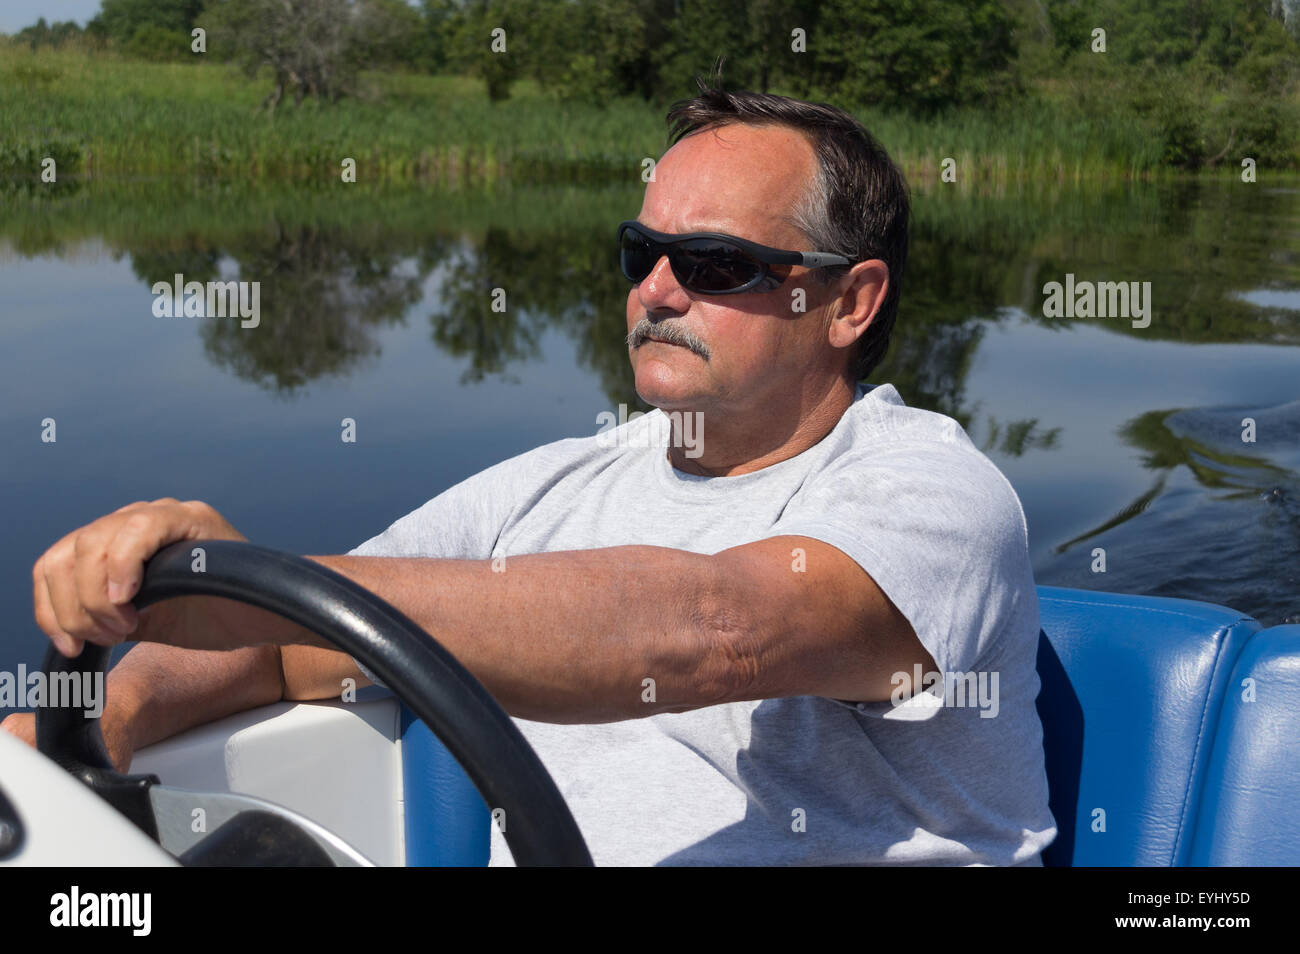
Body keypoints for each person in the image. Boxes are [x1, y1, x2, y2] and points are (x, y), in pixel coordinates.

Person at [3, 85, 1056, 865]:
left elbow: (715, 633)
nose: (656, 289)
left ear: (849, 303)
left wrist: (256, 596)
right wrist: (56, 738)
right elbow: (282, 655)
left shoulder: (931, 491)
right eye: (641, 249)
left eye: (714, 264)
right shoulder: (553, 485)